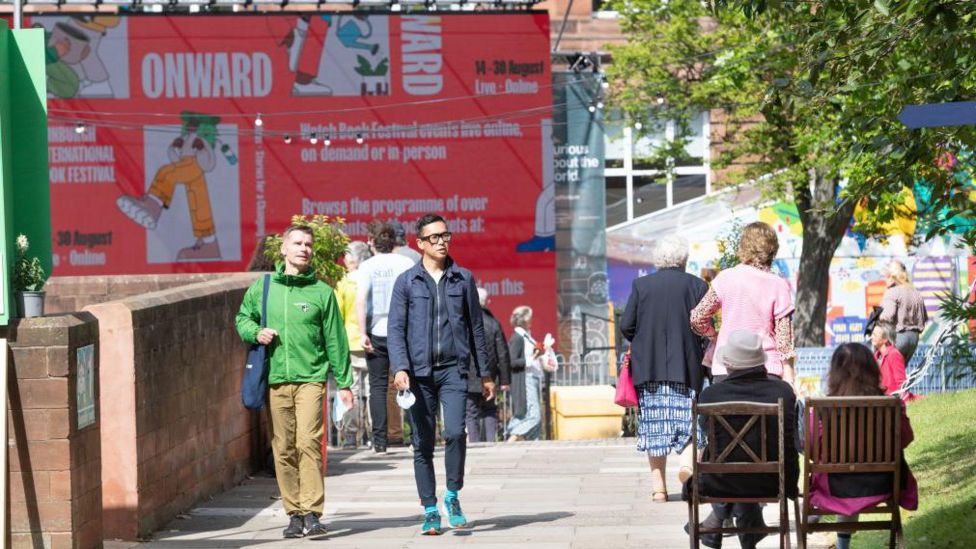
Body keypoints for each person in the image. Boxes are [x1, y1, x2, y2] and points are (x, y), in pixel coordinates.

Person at [235, 224, 353, 539]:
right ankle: (294, 514)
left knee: (308, 443)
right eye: (298, 243)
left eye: (308, 244)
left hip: (311, 378)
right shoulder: (265, 287)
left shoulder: (321, 292)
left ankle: (313, 513)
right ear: (284, 249)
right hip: (274, 378)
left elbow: (336, 340)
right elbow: (242, 318)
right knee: (283, 447)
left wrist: (344, 383)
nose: (304, 248)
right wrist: (255, 332)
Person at [388, 213, 494, 535]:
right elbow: (396, 329)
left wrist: (485, 373)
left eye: (445, 235)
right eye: (434, 237)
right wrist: (400, 367)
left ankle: (452, 495)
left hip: (453, 370)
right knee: (422, 442)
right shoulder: (407, 282)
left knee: (454, 433)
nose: (441, 242)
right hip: (418, 374)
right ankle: (430, 509)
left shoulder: (463, 278)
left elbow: (476, 327)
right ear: (419, 243)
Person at [685, 330, 799, 549]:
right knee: (747, 469)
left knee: (734, 467)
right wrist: (792, 484)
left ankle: (716, 524)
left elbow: (707, 436)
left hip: (719, 483)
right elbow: (789, 442)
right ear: (761, 363)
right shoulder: (783, 392)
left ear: (728, 364)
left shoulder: (711, 396)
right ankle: (747, 538)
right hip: (773, 481)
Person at [619, 235, 708, 502]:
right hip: (687, 366)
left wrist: (643, 339)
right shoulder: (697, 285)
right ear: (684, 260)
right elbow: (705, 325)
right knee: (690, 423)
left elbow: (626, 325)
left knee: (655, 426)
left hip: (650, 369)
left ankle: (659, 488)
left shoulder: (641, 286)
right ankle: (686, 465)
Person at [807, 343, 918, 549]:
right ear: (872, 369)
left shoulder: (823, 409)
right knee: (854, 481)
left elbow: (813, 448)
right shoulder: (890, 405)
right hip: (882, 484)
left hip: (836, 485)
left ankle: (839, 541)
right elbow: (905, 438)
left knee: (846, 479)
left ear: (835, 373)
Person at [691, 221, 797, 386]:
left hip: (726, 369)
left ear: (743, 247)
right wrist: (789, 376)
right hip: (766, 371)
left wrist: (714, 335)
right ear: (772, 249)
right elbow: (784, 339)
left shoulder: (725, 278)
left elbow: (697, 317)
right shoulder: (778, 284)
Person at [356, 221, 415, 453]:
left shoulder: (367, 266)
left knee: (377, 387)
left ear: (372, 243)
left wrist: (362, 333)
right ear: (394, 242)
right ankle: (415, 437)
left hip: (376, 329)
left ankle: (379, 441)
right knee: (409, 383)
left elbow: (361, 300)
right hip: (403, 330)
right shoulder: (407, 263)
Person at [334, 240, 372, 447]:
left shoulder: (344, 282)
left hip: (350, 341)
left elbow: (337, 315)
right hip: (373, 342)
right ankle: (376, 434)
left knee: (352, 390)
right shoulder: (371, 278)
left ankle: (350, 437)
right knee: (374, 390)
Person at [465, 288, 512, 443]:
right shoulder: (493, 323)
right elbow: (503, 353)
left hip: (468, 374)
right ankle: (491, 443)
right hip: (490, 375)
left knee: (470, 412)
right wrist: (505, 380)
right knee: (489, 409)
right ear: (484, 302)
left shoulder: (464, 321)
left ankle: (474, 443)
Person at [505, 306, 545, 442]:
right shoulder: (517, 337)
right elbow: (511, 361)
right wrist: (530, 360)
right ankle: (514, 433)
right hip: (525, 379)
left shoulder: (526, 336)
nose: (531, 320)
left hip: (532, 377)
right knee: (534, 416)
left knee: (529, 415)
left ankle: (534, 443)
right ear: (524, 319)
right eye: (529, 318)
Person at [879, 260, 928, 364]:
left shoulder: (892, 292)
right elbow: (924, 318)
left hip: (898, 337)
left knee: (884, 371)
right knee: (898, 372)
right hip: (913, 339)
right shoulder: (916, 292)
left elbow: (887, 316)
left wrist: (877, 317)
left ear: (893, 277)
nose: (885, 278)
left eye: (887, 275)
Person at [870, 321, 911, 398]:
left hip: (892, 401)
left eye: (874, 335)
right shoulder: (876, 356)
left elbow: (901, 383)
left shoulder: (894, 354)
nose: (871, 337)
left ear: (885, 339)